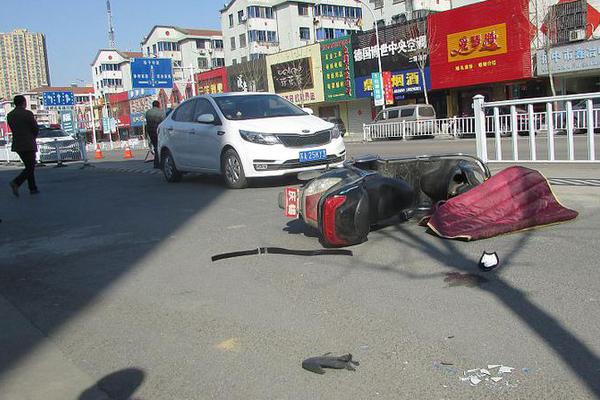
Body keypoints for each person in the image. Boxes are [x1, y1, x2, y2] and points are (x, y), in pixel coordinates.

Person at [7, 95, 39, 197]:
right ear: (24, 103)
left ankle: (33, 188)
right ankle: (16, 182)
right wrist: (33, 136)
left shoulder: (10, 115)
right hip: (28, 143)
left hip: (17, 143)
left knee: (29, 166)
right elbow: (35, 128)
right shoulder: (27, 113)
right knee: (30, 167)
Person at [145, 100, 165, 169]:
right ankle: (159, 163)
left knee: (156, 147)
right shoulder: (162, 112)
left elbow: (147, 123)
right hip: (159, 131)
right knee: (160, 147)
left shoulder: (148, 113)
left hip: (151, 132)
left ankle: (156, 163)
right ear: (159, 105)